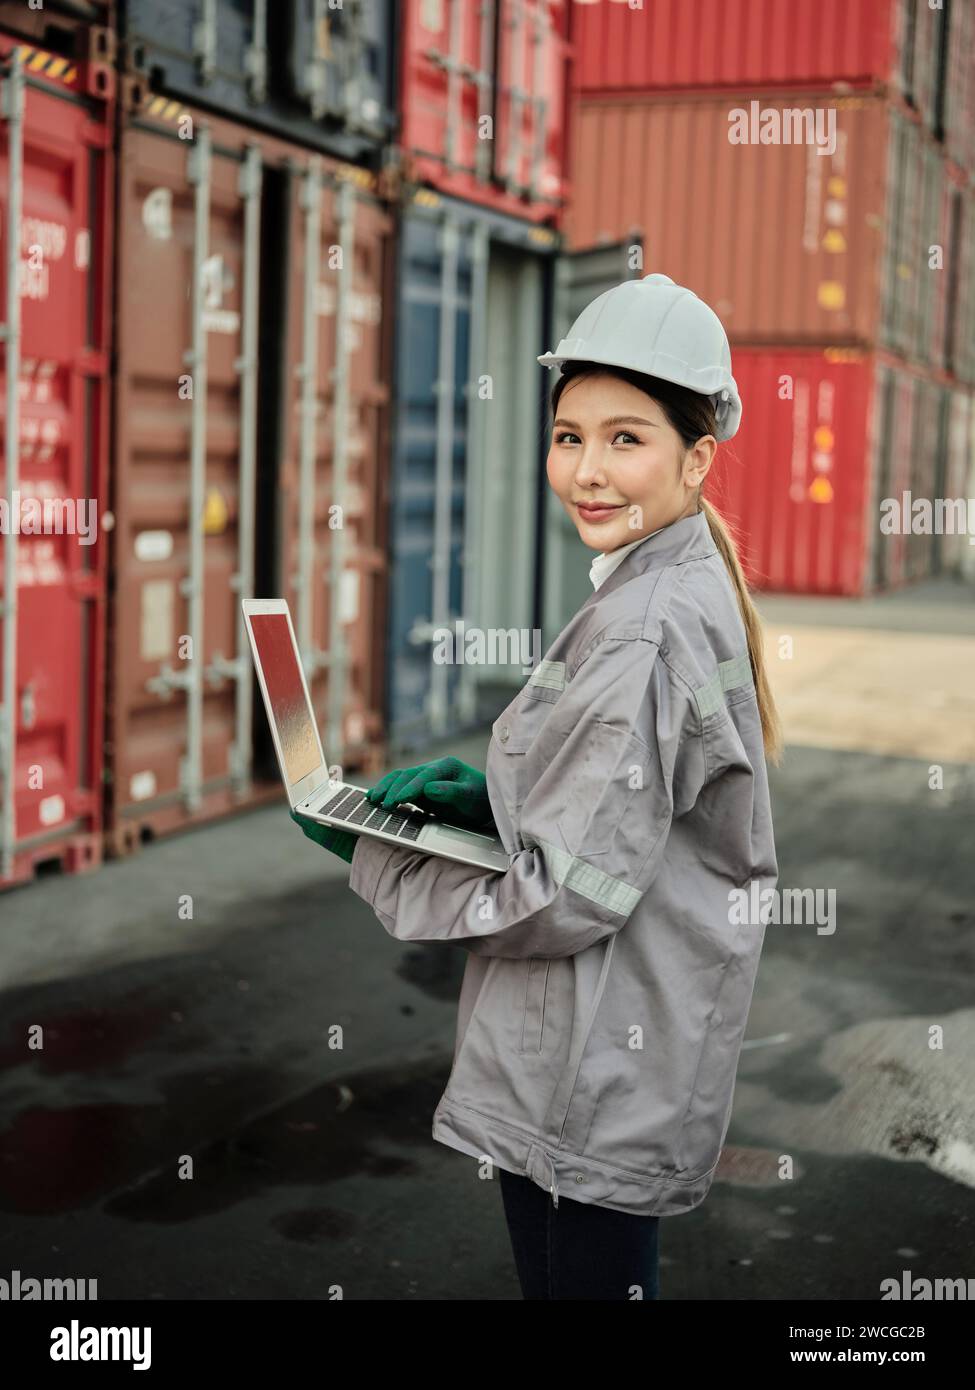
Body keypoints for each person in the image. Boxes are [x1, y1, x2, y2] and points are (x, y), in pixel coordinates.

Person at [292, 272, 781, 1301]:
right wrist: (497, 798)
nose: (588, 472)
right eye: (569, 436)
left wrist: (377, 851)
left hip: (593, 1071)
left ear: (697, 458)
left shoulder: (649, 623)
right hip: (615, 1056)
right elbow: (631, 807)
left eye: (625, 439)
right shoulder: (663, 584)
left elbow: (567, 894)